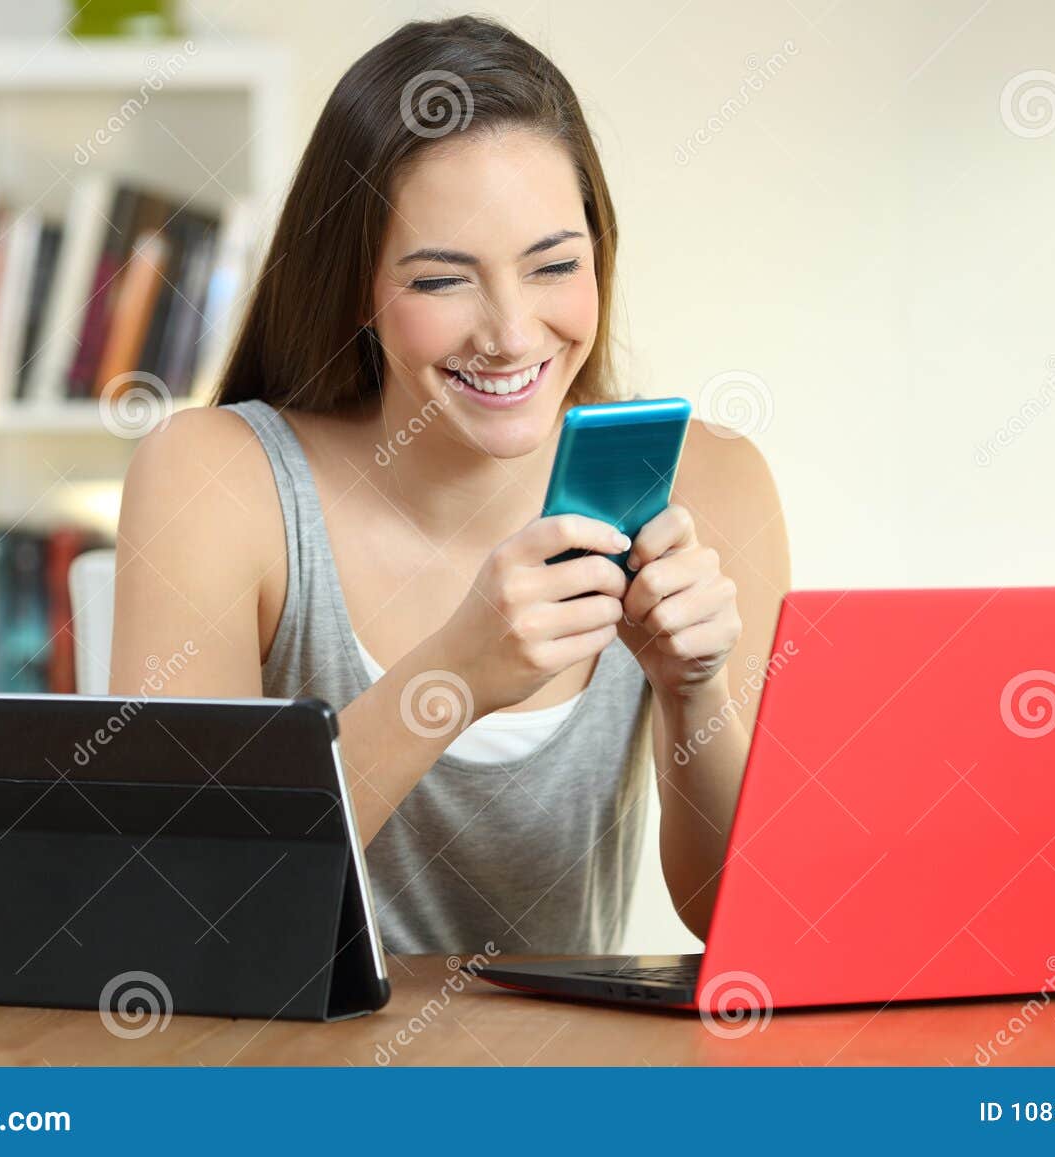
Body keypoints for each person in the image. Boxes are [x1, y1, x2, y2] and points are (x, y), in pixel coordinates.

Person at [110, 14, 789, 955]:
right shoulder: (219, 477)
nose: (511, 334)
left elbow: (746, 920)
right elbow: (187, 906)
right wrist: (455, 673)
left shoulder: (708, 482)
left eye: (554, 265)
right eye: (441, 281)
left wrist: (694, 694)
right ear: (358, 286)